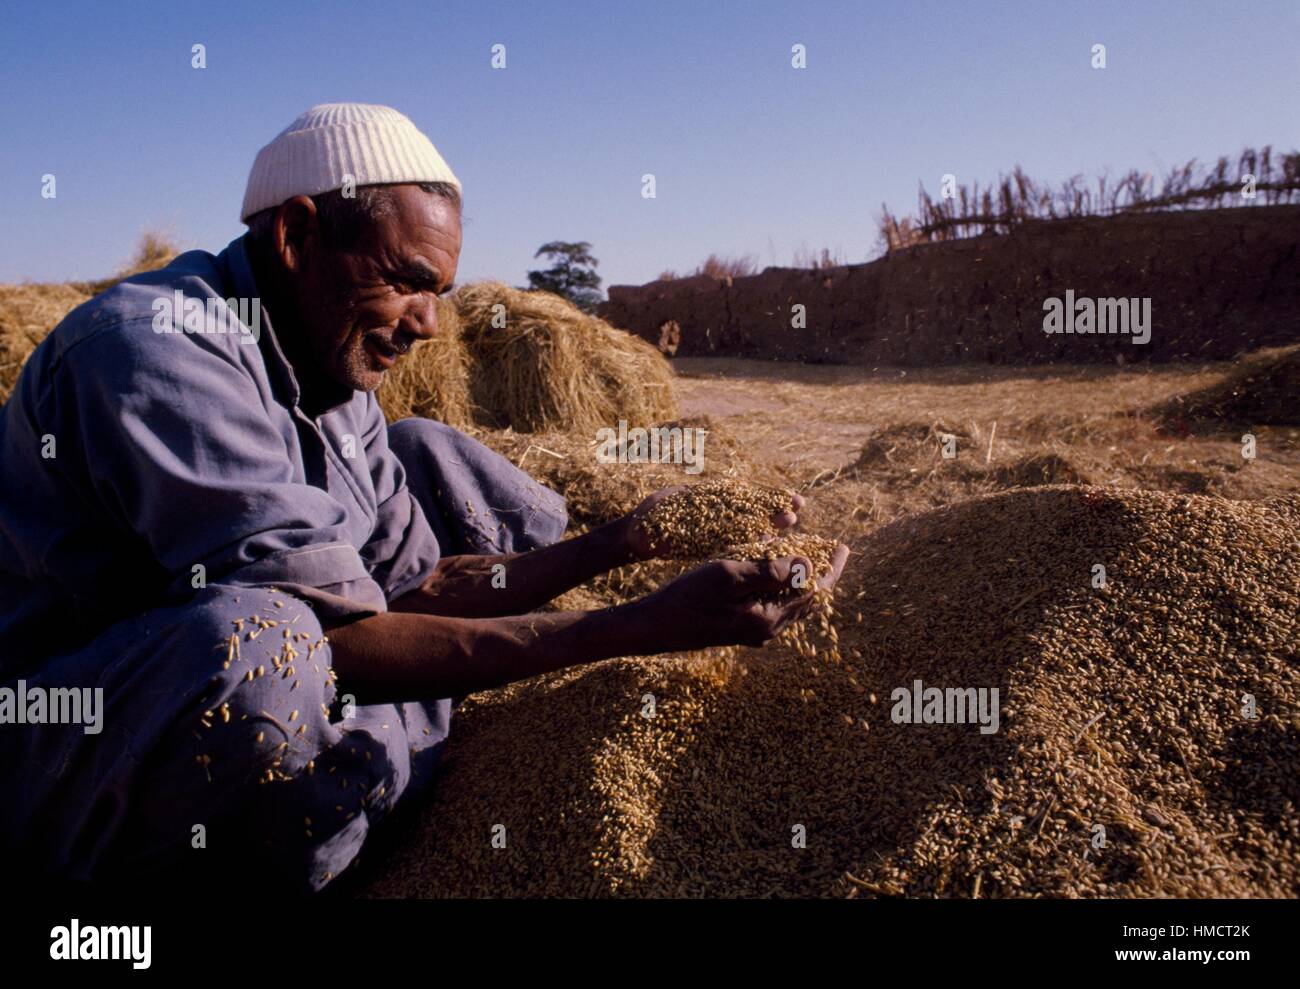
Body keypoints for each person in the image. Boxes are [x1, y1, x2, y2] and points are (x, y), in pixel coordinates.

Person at [0, 103, 848, 891]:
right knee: (265, 645)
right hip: (65, 740)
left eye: (438, 292)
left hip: (251, 672)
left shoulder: (337, 381)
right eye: (407, 280)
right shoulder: (161, 350)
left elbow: (419, 589)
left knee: (432, 453)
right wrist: (640, 628)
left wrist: (626, 540)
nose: (428, 323)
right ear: (295, 234)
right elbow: (337, 634)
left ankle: (383, 751)